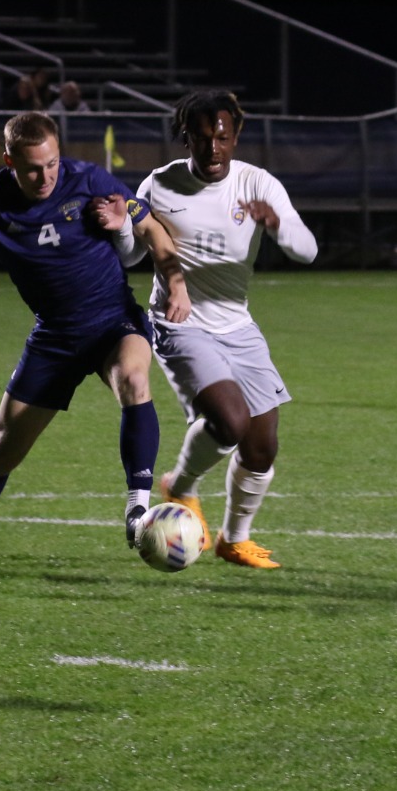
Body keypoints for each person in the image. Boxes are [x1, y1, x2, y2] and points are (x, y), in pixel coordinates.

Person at [0, 111, 191, 569]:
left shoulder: (88, 179)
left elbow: (151, 230)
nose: (46, 175)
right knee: (3, 448)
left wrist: (178, 283)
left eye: (52, 163)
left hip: (112, 319)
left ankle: (137, 507)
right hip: (55, 336)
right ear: (9, 160)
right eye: (32, 168)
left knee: (132, 376)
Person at [128, 90, 318, 569]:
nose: (214, 148)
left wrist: (277, 225)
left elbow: (308, 250)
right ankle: (180, 486)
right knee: (230, 422)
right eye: (202, 137)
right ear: (185, 136)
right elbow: (129, 255)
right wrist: (123, 228)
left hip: (238, 322)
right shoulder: (159, 184)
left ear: (235, 136)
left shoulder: (258, 184)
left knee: (262, 443)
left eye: (223, 137)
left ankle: (235, 539)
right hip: (180, 321)